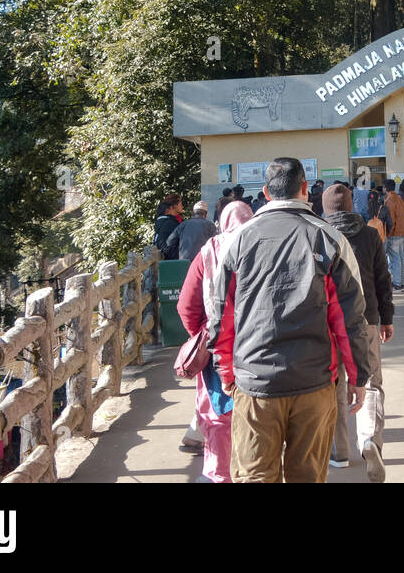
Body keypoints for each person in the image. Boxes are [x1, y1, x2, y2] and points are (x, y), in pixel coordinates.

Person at [204, 158, 370, 483]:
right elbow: (351, 320)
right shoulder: (331, 240)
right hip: (315, 382)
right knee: (307, 477)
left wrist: (226, 369)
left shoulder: (236, 242)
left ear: (266, 192)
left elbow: (219, 314)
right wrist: (358, 376)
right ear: (305, 189)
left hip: (254, 382)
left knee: (253, 477)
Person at [177, 200, 254, 482]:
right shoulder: (265, 246)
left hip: (219, 347)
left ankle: (219, 475)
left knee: (219, 416)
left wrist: (203, 333)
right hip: (260, 347)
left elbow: (186, 305)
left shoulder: (210, 251)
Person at [322, 183, 393, 483]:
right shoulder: (369, 235)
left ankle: (339, 453)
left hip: (329, 321)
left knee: (335, 384)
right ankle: (369, 440)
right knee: (371, 381)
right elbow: (383, 278)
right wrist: (386, 318)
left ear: (325, 208)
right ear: (352, 205)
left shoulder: (318, 234)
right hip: (367, 318)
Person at [382, 178, 404, 292]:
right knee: (401, 257)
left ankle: (397, 284)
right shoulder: (399, 199)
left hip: (394, 233)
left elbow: (391, 220)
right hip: (402, 231)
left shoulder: (389, 201)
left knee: (395, 258)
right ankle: (401, 282)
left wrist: (389, 233)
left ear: (385, 188)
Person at [154, 194, 183, 259]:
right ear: (173, 207)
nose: (182, 206)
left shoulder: (161, 221)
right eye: (180, 204)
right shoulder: (170, 223)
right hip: (171, 258)